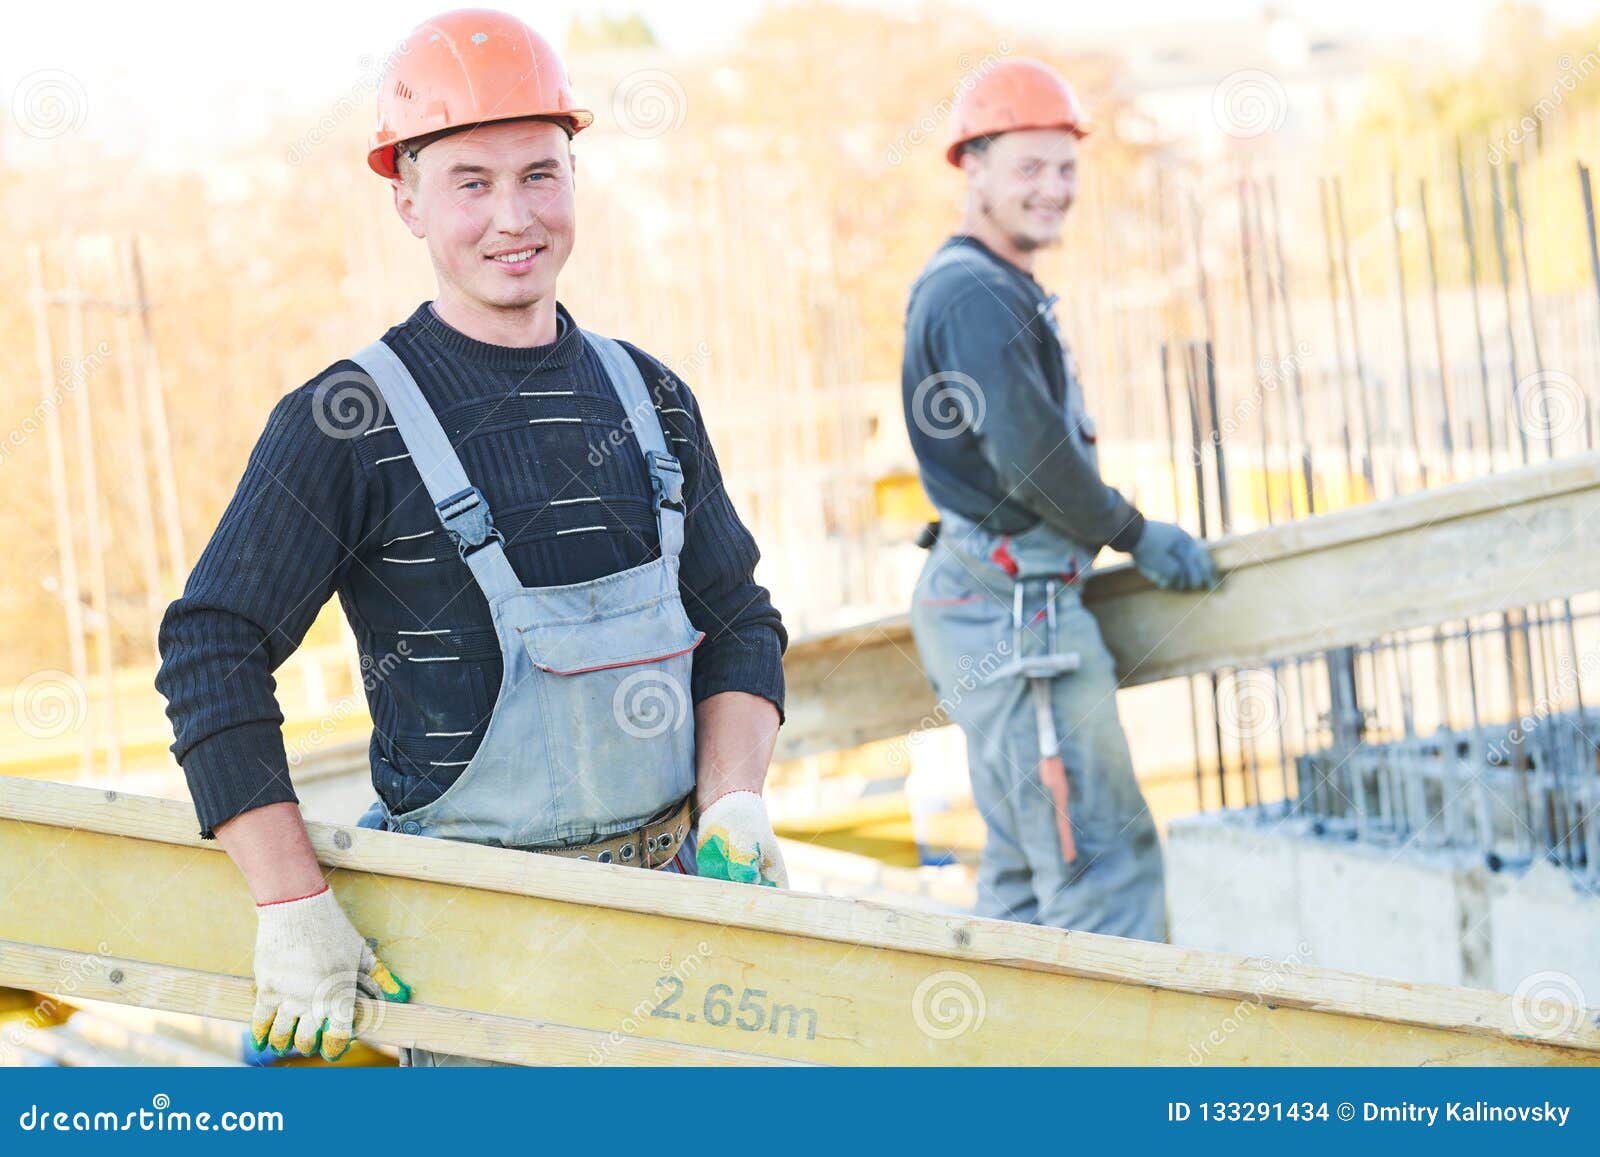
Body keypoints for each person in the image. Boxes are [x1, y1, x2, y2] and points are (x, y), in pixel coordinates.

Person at [155, 9, 788, 1067]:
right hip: (479, 956)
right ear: (404, 197)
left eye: (539, 174)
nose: (512, 216)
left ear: (575, 177)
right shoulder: (343, 422)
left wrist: (736, 799)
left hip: (683, 933)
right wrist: (291, 901)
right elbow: (210, 647)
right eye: (470, 182)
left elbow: (739, 618)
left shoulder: (652, 398)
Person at [901, 58, 1216, 941]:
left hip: (1001, 612)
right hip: (1017, 628)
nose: (1054, 189)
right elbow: (1033, 458)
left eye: (1066, 167)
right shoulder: (972, 294)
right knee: (1101, 873)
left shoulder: (993, 286)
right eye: (1029, 168)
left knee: (1028, 883)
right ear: (975, 168)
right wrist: (1134, 531)